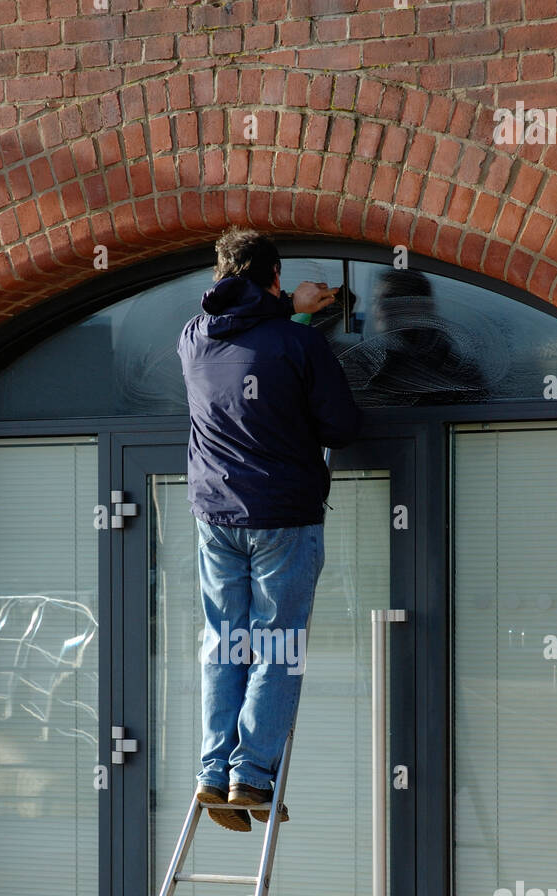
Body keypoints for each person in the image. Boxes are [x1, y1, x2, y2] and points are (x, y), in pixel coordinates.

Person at [176, 228, 361, 830]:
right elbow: (341, 428)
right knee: (275, 647)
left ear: (219, 276)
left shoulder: (193, 339)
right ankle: (251, 777)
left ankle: (212, 773)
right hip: (281, 515)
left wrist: (285, 307)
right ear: (275, 276)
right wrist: (298, 316)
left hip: (214, 516)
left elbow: (234, 317)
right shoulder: (295, 344)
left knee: (223, 642)